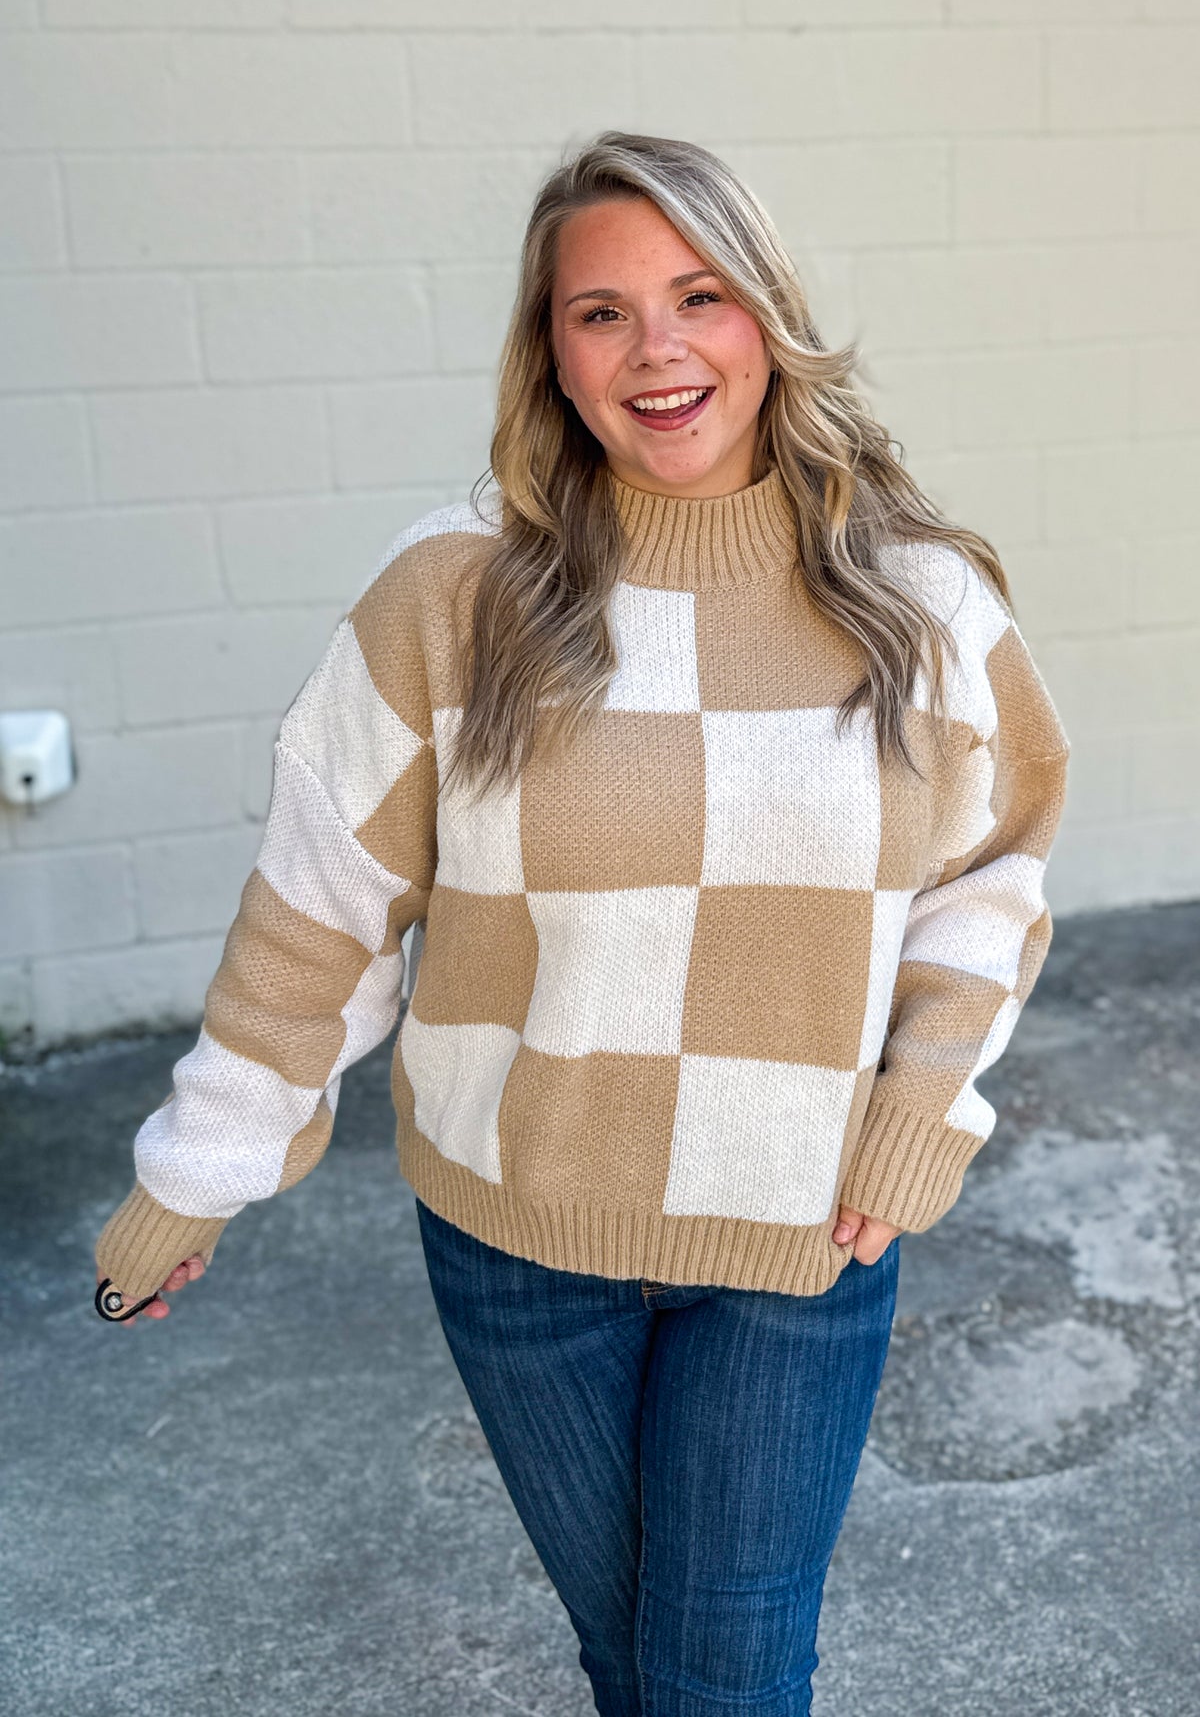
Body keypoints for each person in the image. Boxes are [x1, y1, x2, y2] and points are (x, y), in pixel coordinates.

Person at [94, 131, 1070, 1713]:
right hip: (518, 1230)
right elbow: (323, 907)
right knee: (634, 1660)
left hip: (795, 1231)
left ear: (768, 315)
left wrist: (920, 1121)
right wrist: (193, 1175)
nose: (658, 348)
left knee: (725, 1672)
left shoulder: (919, 597)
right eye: (600, 311)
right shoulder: (454, 589)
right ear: (549, 351)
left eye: (699, 294)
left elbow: (989, 877)